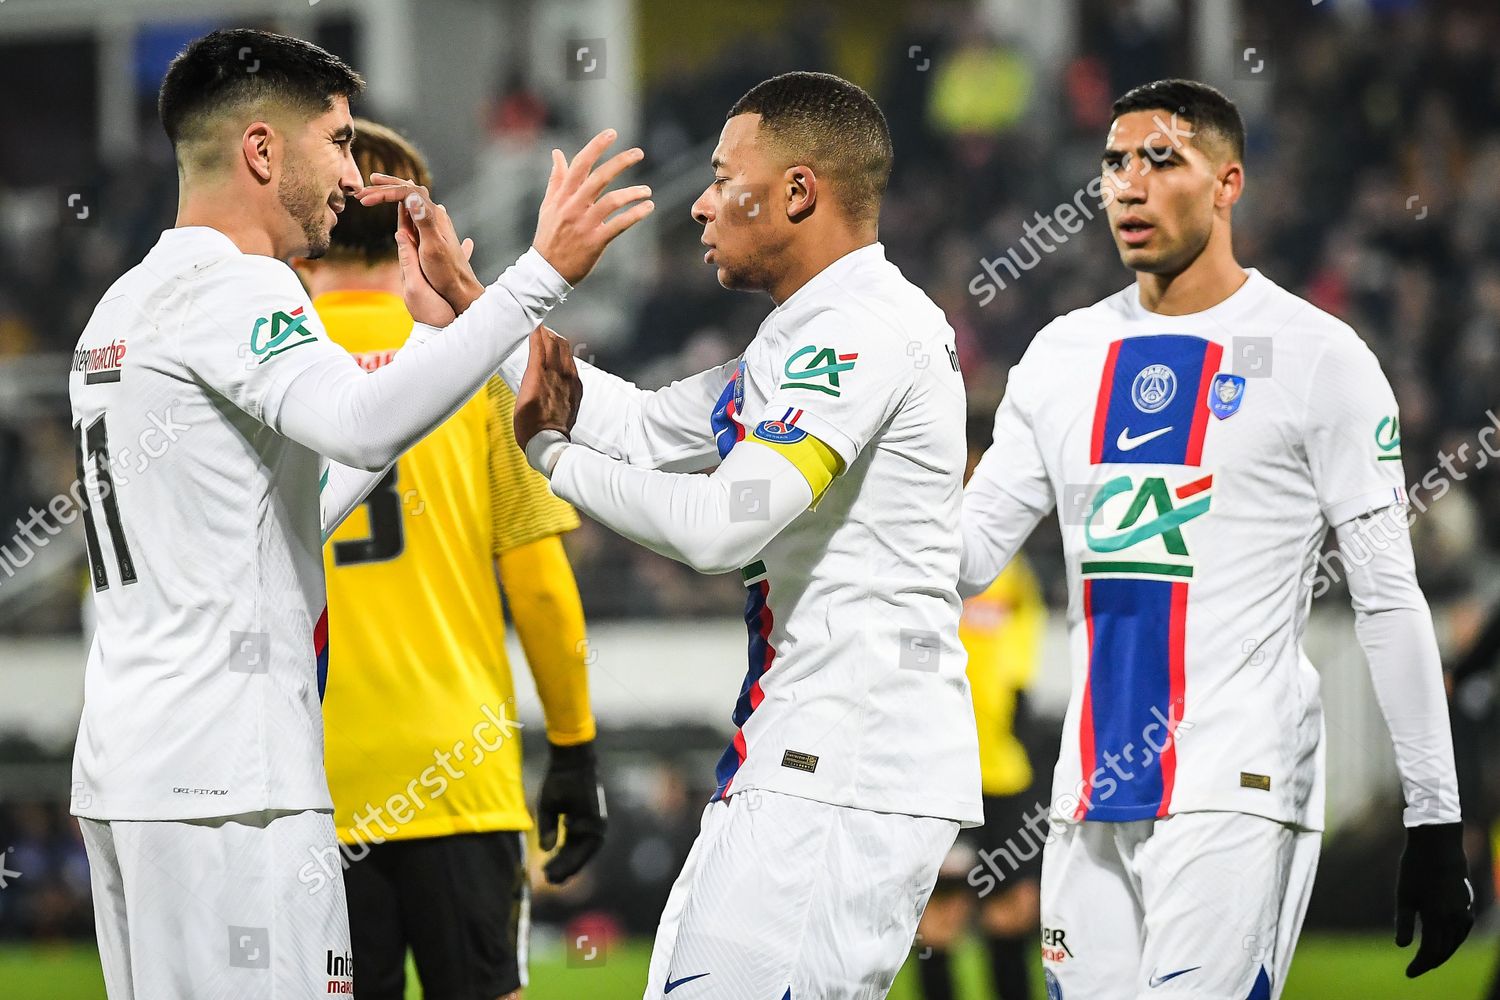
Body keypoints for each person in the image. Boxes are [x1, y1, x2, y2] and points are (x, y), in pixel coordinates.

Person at [66, 27, 649, 998]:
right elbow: (363, 425)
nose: (352, 172)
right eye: (337, 141)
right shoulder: (240, 286)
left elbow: (295, 500)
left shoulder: (124, 307)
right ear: (262, 150)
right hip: (235, 786)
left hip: (135, 776)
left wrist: (429, 339)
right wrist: (536, 275)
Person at [387, 70, 981, 999]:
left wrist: (547, 457)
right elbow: (631, 422)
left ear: (798, 191)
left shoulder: (861, 331)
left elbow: (720, 527)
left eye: (722, 177)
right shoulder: (809, 331)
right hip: (813, 750)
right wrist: (474, 300)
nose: (700, 204)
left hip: (847, 756)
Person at [959, 78, 1473, 998]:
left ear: (1229, 182)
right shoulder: (1061, 356)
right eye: (1115, 163)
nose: (1129, 184)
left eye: (1162, 160)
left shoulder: (1319, 359)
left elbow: (1389, 600)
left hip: (1237, 778)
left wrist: (1435, 819)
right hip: (1089, 790)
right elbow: (959, 557)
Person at [292, 119, 602, 1000]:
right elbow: (539, 585)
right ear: (411, 225)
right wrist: (575, 751)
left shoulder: (266, 360)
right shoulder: (473, 357)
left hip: (310, 779)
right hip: (458, 772)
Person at [914, 421, 1046, 1000]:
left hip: (1002, 768)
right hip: (936, 771)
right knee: (937, 923)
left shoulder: (1010, 569)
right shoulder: (915, 557)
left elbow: (1023, 656)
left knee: (1011, 911)